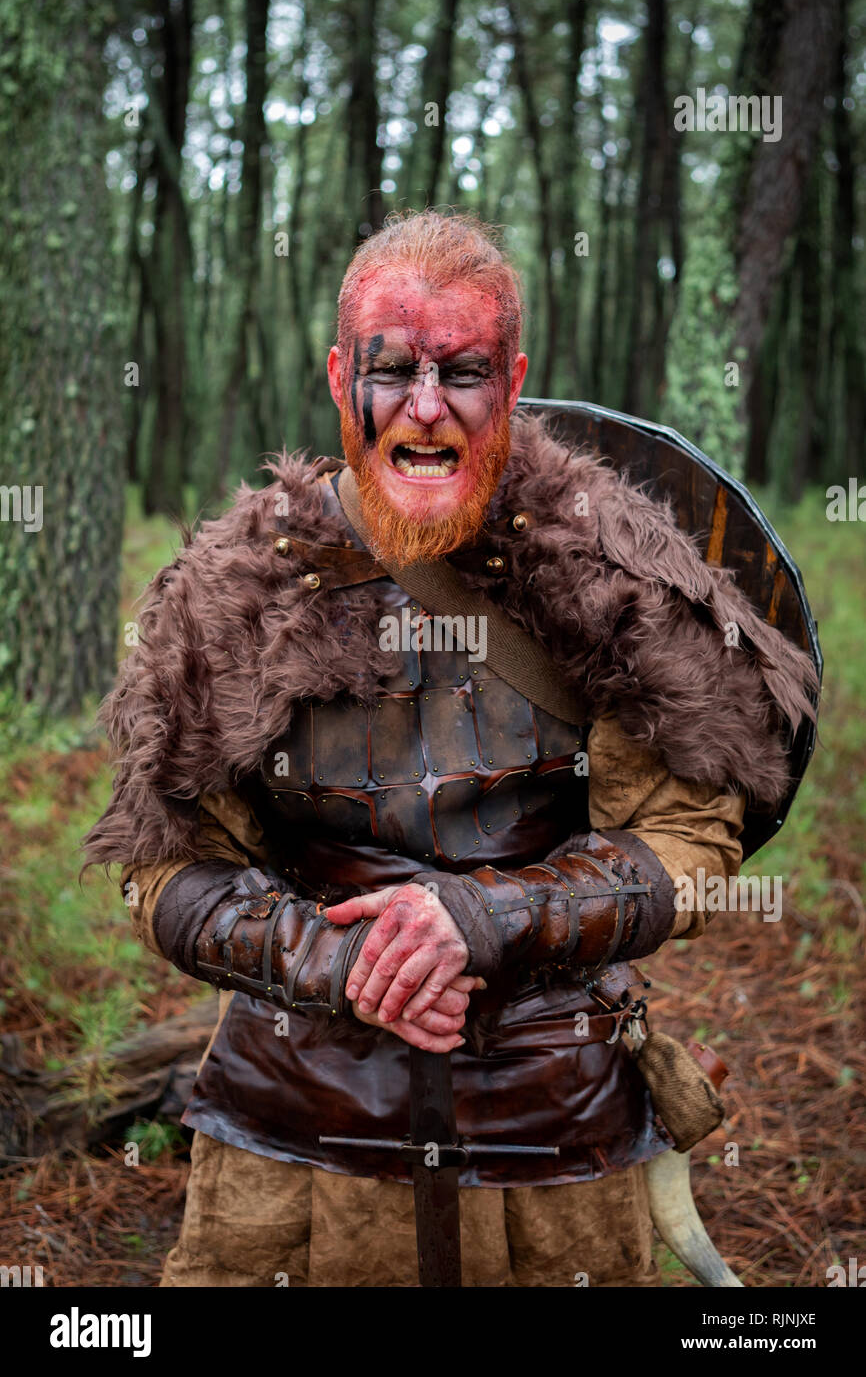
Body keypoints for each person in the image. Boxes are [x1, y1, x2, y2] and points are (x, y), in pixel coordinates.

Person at [84, 209, 817, 1287]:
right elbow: (158, 865)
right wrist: (329, 958)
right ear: (341, 378)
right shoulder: (229, 589)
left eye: (462, 372)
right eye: (391, 369)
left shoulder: (612, 570)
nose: (424, 410)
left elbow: (688, 833)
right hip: (295, 1153)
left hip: (549, 1150)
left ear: (510, 382)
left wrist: (486, 917)